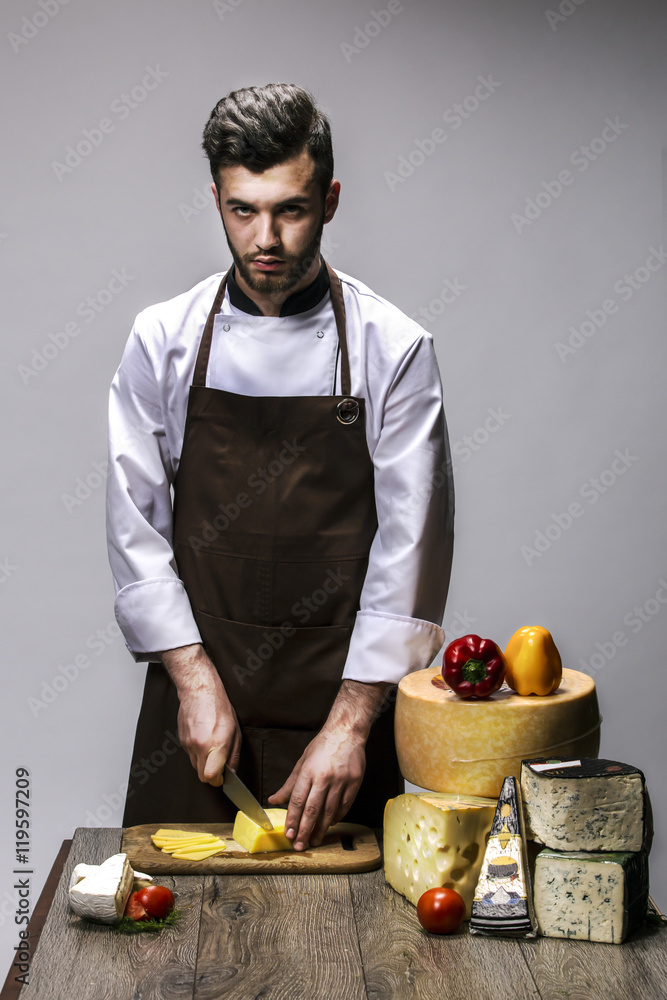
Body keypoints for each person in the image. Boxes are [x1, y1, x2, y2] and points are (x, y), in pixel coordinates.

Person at [106, 83, 454, 851]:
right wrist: (192, 684)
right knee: (163, 942)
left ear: (328, 200)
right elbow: (135, 527)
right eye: (241, 209)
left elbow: (413, 549)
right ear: (216, 198)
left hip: (341, 703)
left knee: (354, 959)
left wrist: (352, 725)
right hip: (198, 698)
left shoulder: (392, 348)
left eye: (290, 210)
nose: (265, 238)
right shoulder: (161, 338)